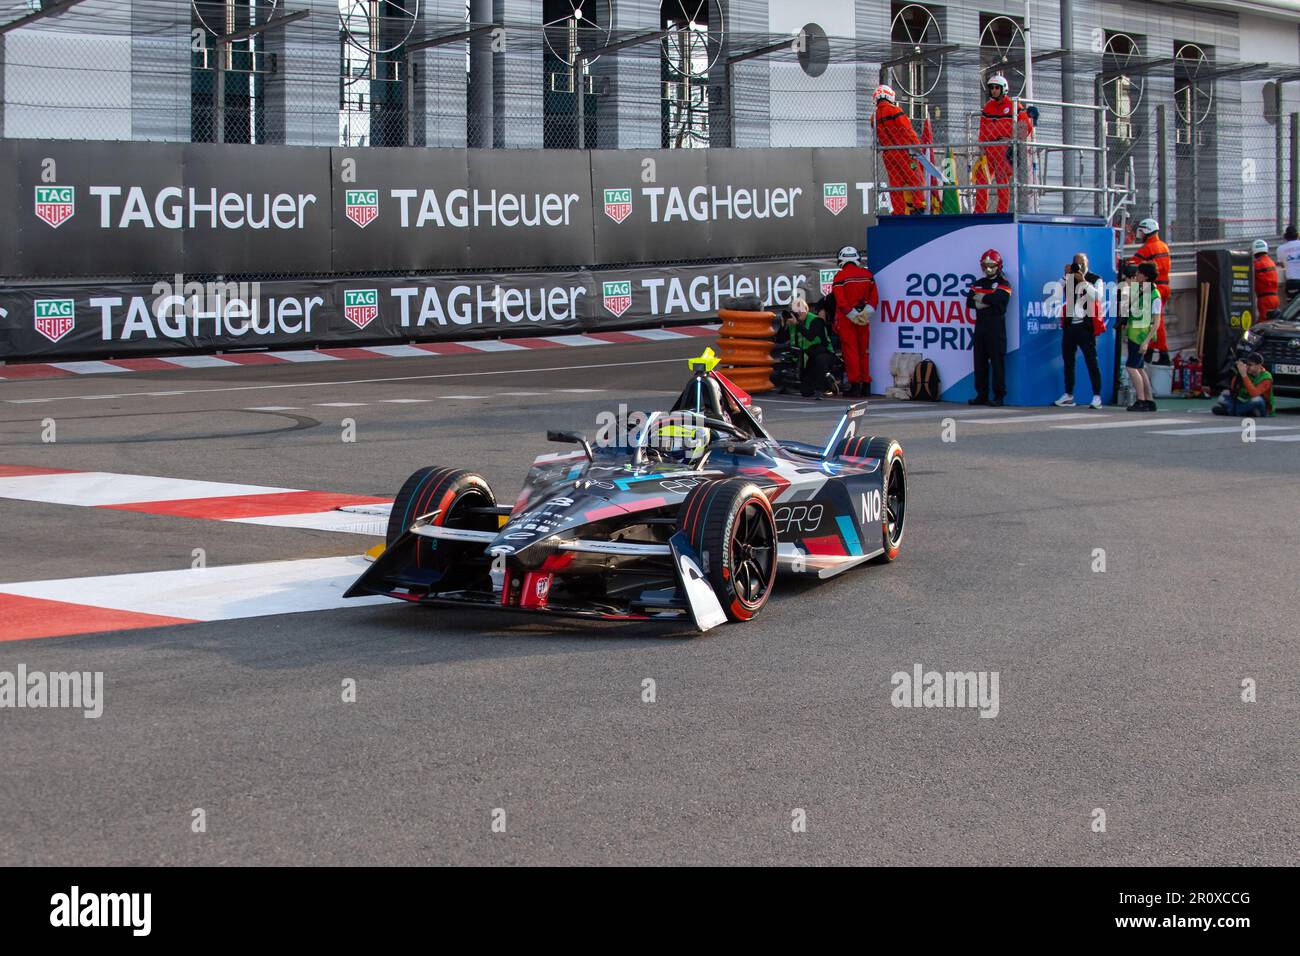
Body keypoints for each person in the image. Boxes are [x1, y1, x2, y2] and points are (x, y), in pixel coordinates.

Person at [1054, 253, 1104, 409]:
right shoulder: (1070, 277)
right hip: (1070, 326)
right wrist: (1065, 276)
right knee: (1068, 361)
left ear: (1087, 263)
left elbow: (1098, 296)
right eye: (1076, 263)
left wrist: (1083, 281)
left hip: (1086, 327)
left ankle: (1097, 396)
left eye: (1081, 263)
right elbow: (1056, 290)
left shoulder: (1095, 278)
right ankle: (1068, 395)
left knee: (1091, 361)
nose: (1079, 266)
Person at [977, 74, 1033, 214]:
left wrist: (1013, 140)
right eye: (992, 88)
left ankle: (1001, 212)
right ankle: (979, 211)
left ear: (1004, 89)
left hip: (1004, 147)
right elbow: (983, 128)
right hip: (989, 148)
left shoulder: (1014, 106)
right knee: (981, 178)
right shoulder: (988, 108)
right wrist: (982, 145)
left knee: (1002, 181)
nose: (994, 90)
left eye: (997, 88)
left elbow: (1025, 126)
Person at [827, 246, 878, 397]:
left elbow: (841, 302)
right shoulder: (868, 275)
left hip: (847, 319)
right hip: (865, 318)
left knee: (851, 352)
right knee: (864, 351)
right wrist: (865, 314)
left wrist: (853, 315)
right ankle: (866, 385)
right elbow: (875, 298)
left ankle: (855, 385)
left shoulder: (840, 277)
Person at [966, 248, 1012, 406]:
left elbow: (1000, 301)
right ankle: (982, 394)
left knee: (997, 362)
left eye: (991, 265)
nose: (988, 269)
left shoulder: (1003, 283)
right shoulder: (978, 283)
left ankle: (999, 396)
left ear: (998, 266)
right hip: (980, 327)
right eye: (985, 266)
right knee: (979, 361)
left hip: (996, 327)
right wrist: (988, 300)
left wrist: (982, 298)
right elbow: (970, 302)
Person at [872, 85, 925, 216]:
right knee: (915, 179)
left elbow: (875, 138)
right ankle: (919, 206)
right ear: (889, 96)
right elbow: (907, 130)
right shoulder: (895, 111)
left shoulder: (873, 116)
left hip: (888, 154)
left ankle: (899, 211)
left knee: (895, 184)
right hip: (904, 152)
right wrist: (917, 147)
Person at [774, 294, 837, 398]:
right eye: (797, 312)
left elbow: (810, 336)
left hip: (823, 354)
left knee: (820, 360)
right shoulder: (792, 323)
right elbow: (780, 340)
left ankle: (820, 389)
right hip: (805, 358)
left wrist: (797, 324)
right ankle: (828, 381)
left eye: (802, 311)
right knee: (806, 392)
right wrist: (783, 325)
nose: (799, 314)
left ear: (806, 309)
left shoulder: (816, 320)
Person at [1127, 218, 1171, 363]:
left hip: (1153, 288)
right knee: (1156, 320)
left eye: (1140, 231)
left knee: (1150, 322)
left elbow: (1132, 265)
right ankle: (1151, 352)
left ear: (1146, 231)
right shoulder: (1164, 246)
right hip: (1164, 287)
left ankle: (1162, 354)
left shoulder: (1146, 249)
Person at [1122, 262, 1161, 411]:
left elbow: (1156, 322)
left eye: (1138, 273)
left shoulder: (1153, 295)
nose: (1136, 275)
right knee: (1139, 367)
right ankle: (1149, 400)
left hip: (1141, 335)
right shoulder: (1143, 291)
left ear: (1145, 276)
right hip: (1135, 333)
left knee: (1131, 367)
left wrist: (1146, 341)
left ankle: (1141, 400)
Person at [1212, 352, 1274, 417]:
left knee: (1257, 399)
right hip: (1244, 401)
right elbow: (1234, 390)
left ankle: (1231, 411)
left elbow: (1254, 393)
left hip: (1261, 404)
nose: (1247, 367)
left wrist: (1244, 375)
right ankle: (1242, 411)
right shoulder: (1246, 372)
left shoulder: (1266, 377)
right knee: (1223, 396)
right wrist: (1238, 374)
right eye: (1247, 364)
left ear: (1259, 365)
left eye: (1250, 365)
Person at [1252, 239, 1280, 321]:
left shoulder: (1257, 264)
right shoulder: (1271, 262)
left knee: (1264, 325)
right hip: (1275, 298)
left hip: (1265, 300)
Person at [1277, 225, 1300, 302]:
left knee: (1292, 307)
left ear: (1285, 237)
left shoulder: (1280, 249)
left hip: (1291, 282)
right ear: (1297, 235)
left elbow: (1282, 265)